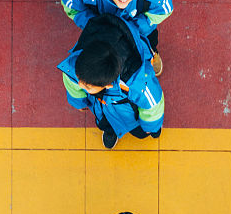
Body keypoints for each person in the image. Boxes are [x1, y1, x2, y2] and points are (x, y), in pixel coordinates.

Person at [58, 13, 164, 148]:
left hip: (128, 112)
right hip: (103, 107)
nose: (80, 84)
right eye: (80, 79)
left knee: (142, 132)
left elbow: (153, 106)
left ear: (108, 85)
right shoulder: (77, 66)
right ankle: (110, 130)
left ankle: (151, 129)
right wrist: (79, 102)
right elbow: (72, 83)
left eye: (87, 87)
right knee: (104, 123)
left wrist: (151, 125)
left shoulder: (138, 83)